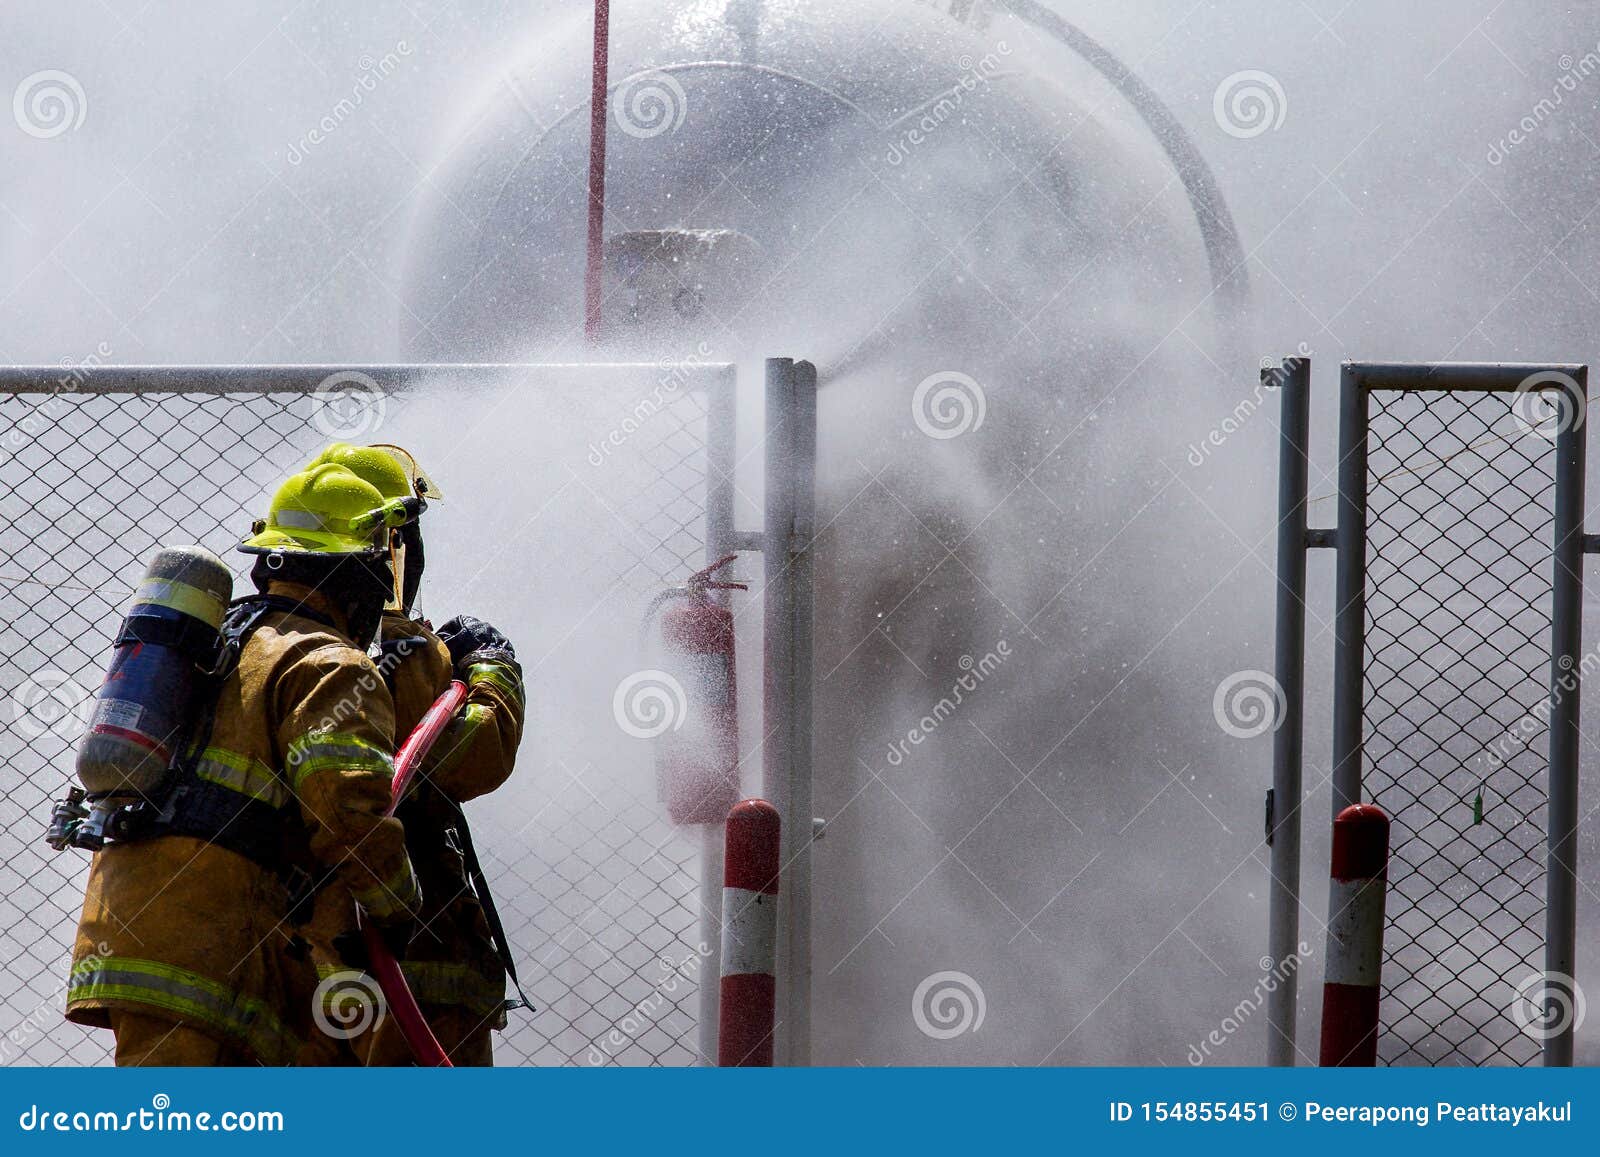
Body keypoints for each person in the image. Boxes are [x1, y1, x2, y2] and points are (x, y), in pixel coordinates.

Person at [64, 461, 423, 1065]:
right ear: (357, 575)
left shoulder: (217, 642)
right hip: (217, 948)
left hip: (126, 927)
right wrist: (401, 906)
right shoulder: (330, 665)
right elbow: (349, 815)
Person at [304, 443, 526, 1066]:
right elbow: (470, 758)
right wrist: (492, 672)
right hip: (408, 952)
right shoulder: (397, 653)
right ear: (392, 541)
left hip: (299, 957)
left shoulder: (270, 642)